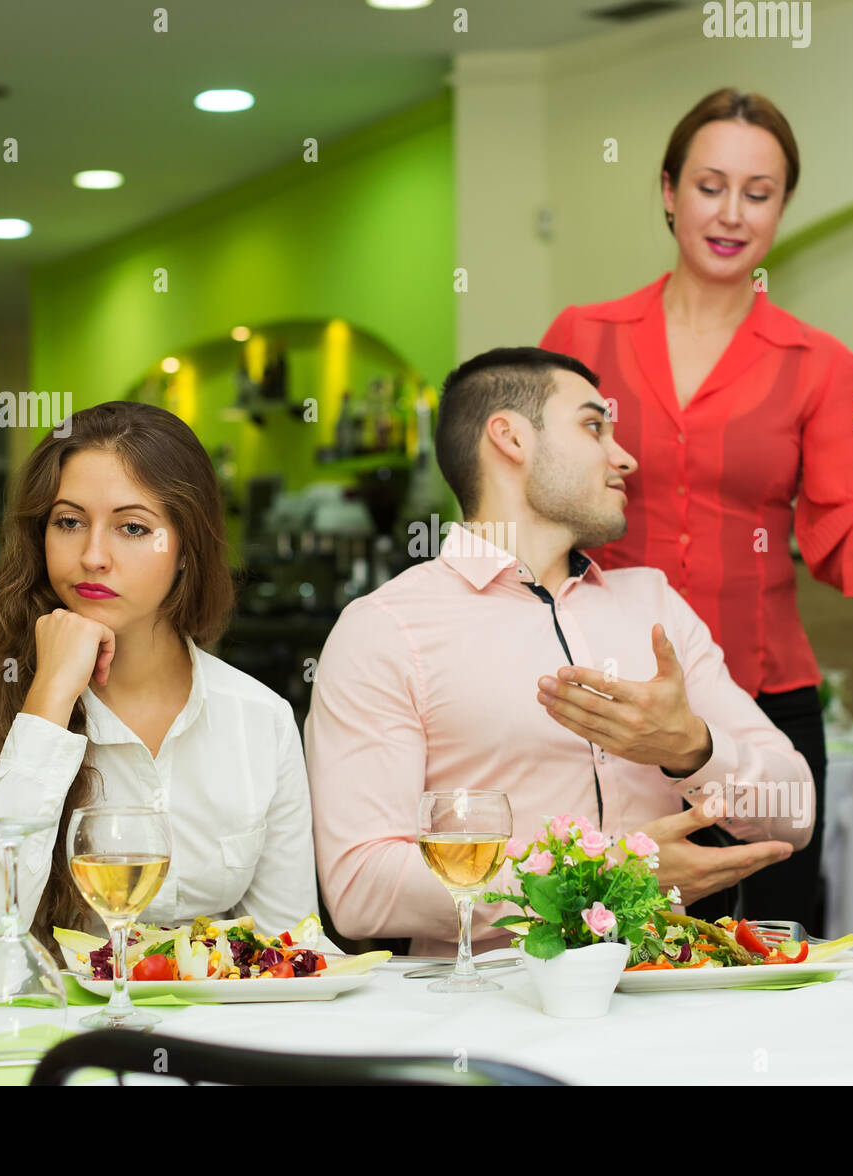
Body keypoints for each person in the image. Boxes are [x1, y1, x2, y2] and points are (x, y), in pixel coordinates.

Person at [540, 87, 853, 930]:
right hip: (609, 699)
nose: (732, 213)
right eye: (710, 186)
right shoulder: (583, 338)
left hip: (766, 707)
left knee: (760, 944)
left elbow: (846, 552)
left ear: (784, 206)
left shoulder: (823, 366)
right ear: (666, 190)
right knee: (602, 933)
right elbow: (535, 500)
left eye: (758, 194)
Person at [304, 348, 814, 958]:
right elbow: (361, 888)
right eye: (594, 426)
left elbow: (797, 810)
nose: (624, 458)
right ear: (511, 437)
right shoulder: (385, 630)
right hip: (491, 1017)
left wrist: (691, 749)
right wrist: (603, 884)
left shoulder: (654, 604)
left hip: (673, 1001)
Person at [0, 401, 318, 972]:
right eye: (69, 521)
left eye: (133, 528)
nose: (92, 557)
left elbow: (287, 953)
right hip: (46, 1045)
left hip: (220, 1046)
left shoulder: (260, 717)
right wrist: (48, 701)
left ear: (186, 549)